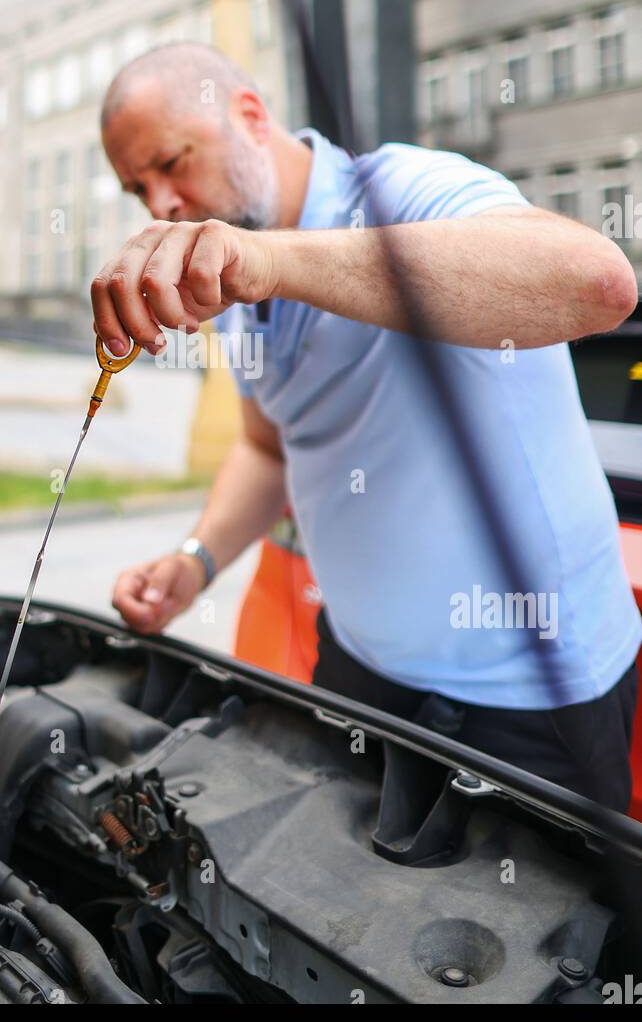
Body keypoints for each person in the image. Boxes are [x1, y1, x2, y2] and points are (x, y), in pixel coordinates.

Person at [92, 42, 641, 810]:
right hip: (356, 670)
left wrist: (274, 260)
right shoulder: (234, 278)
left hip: (527, 700)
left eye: (171, 162)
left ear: (249, 115)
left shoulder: (401, 189)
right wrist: (196, 560)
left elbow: (599, 283)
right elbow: (268, 444)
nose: (159, 204)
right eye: (136, 189)